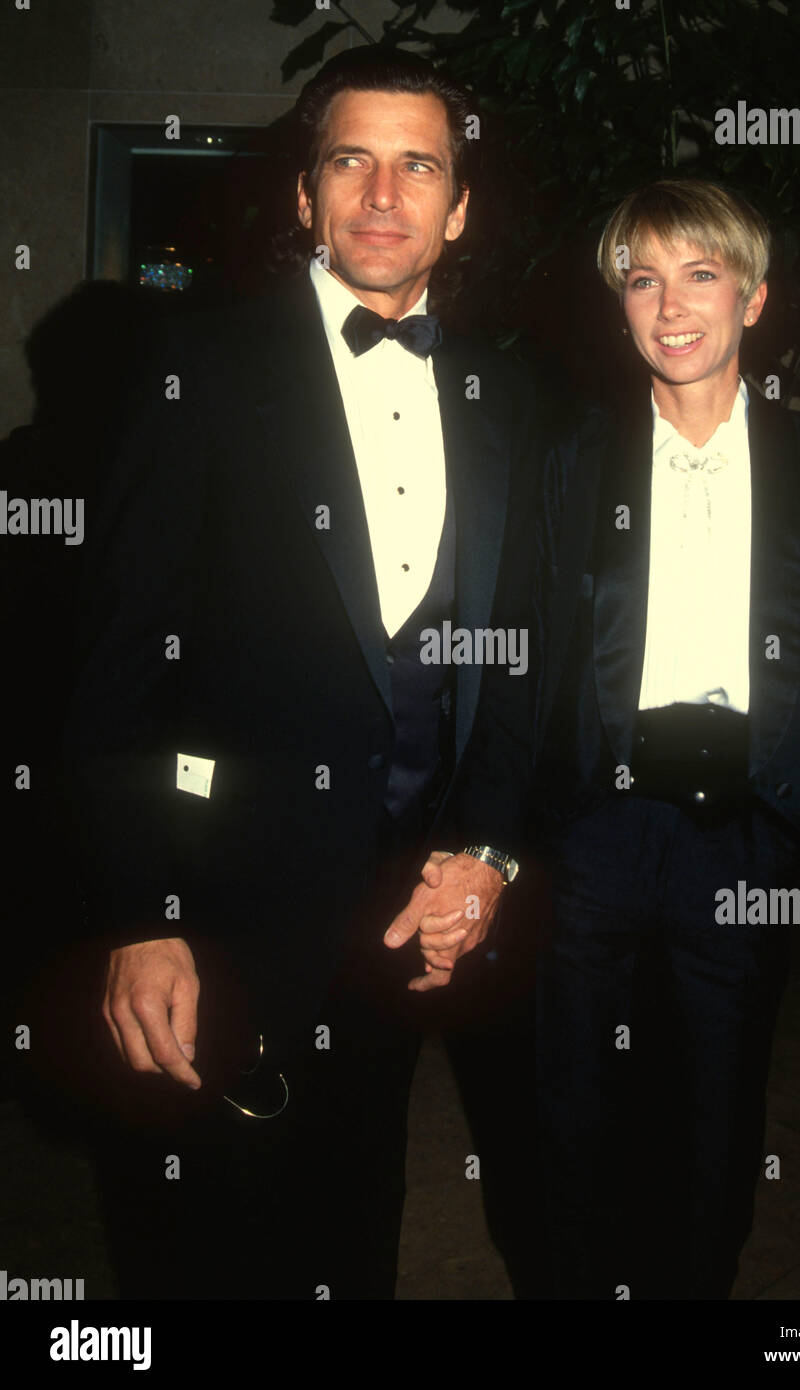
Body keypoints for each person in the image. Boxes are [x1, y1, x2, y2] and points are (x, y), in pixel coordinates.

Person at [63, 46, 539, 1300]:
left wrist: (485, 853)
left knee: (354, 1223)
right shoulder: (195, 374)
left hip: (401, 922)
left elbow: (520, 657)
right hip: (218, 917)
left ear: (460, 206)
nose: (383, 193)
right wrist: (142, 914)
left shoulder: (509, 397)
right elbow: (116, 671)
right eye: (351, 160)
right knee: (205, 1248)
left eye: (418, 164)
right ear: (303, 195)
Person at [531, 179, 800, 1299]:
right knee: (570, 1113)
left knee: (714, 1112)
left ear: (754, 298)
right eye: (641, 278)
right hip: (596, 832)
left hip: (749, 839)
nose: (670, 303)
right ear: (617, 308)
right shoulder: (566, 464)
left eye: (700, 273)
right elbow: (519, 666)